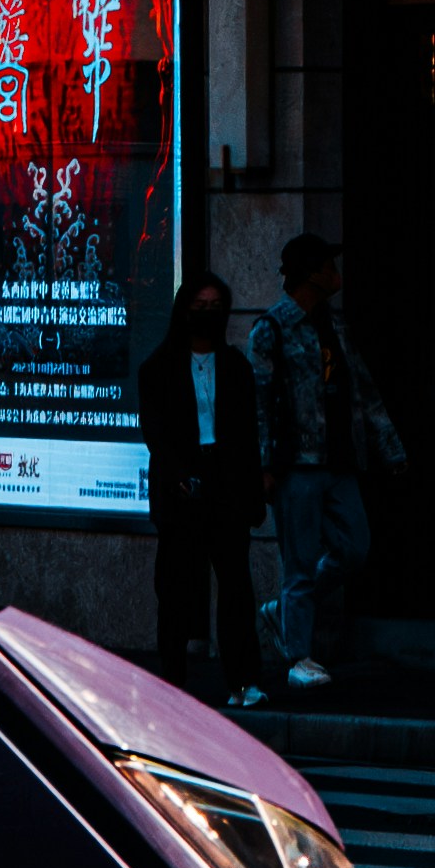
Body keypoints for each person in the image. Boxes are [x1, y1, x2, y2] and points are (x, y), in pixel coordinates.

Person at [239, 229, 405, 708]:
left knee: (354, 547)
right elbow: (259, 405)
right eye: (328, 266)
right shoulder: (272, 328)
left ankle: (284, 615)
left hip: (339, 459)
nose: (336, 274)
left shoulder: (334, 325)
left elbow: (364, 392)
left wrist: (390, 449)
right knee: (298, 561)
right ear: (310, 273)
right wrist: (265, 465)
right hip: (297, 465)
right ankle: (298, 658)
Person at [138, 264, 264, 687]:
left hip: (227, 484)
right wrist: (178, 476)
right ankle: (173, 680)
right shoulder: (158, 368)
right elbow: (156, 433)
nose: (208, 312)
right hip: (181, 488)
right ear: (184, 310)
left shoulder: (236, 366)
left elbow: (248, 434)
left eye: (215, 306)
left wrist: (253, 493)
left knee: (236, 587)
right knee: (175, 590)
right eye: (199, 305)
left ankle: (243, 680)